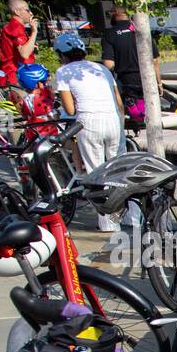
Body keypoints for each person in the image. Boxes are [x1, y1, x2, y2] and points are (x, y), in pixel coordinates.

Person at [53, 32, 127, 230]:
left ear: (62, 54)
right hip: (114, 119)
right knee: (119, 170)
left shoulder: (64, 72)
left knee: (97, 172)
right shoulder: (101, 68)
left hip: (89, 122)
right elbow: (119, 102)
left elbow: (70, 110)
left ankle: (109, 222)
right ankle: (130, 215)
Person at [101, 5, 162, 111]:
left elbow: (108, 64)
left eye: (110, 12)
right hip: (148, 78)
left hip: (126, 81)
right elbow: (155, 61)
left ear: (116, 13)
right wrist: (159, 83)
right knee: (150, 111)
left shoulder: (109, 34)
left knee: (126, 111)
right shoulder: (142, 31)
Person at [0, 0, 38, 94]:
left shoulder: (15, 27)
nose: (31, 13)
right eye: (27, 10)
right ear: (17, 12)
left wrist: (31, 44)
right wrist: (34, 32)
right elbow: (24, 54)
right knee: (24, 108)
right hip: (15, 79)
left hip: (19, 77)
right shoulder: (15, 27)